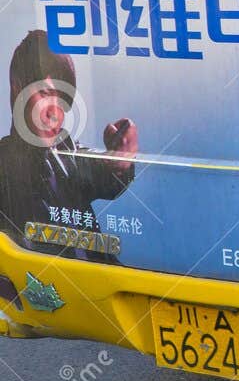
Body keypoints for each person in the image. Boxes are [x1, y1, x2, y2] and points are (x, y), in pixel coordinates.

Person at [0, 31, 139, 261]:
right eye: (45, 93)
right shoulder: (4, 162)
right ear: (17, 89)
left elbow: (104, 174)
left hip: (96, 282)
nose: (55, 113)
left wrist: (120, 162)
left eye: (63, 101)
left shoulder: (65, 151)